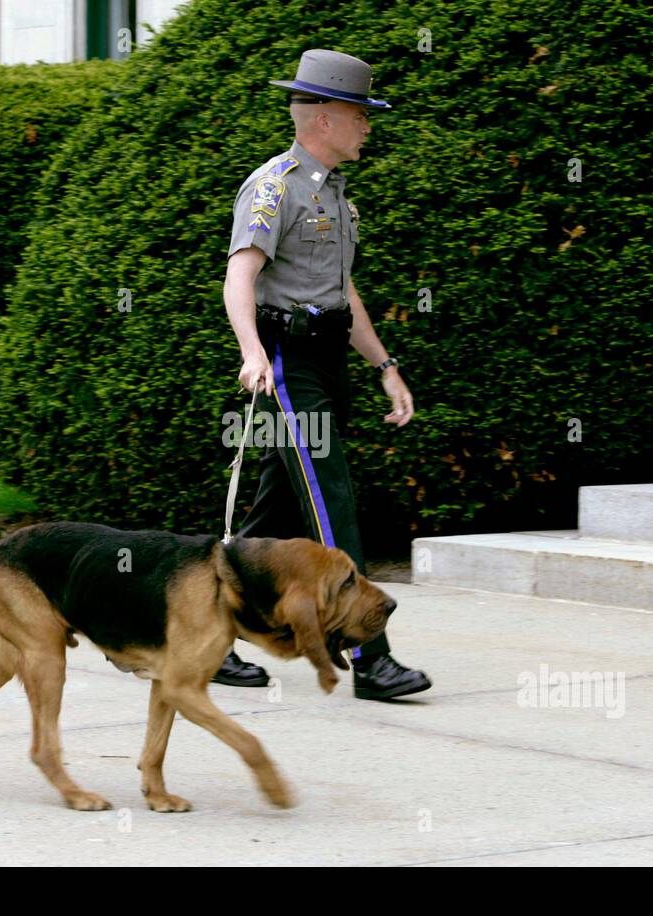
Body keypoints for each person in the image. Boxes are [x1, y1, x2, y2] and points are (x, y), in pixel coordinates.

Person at [212, 49, 431, 701]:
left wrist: (385, 366)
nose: (367, 127)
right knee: (331, 502)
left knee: (276, 510)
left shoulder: (337, 196)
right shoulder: (273, 186)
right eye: (361, 116)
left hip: (325, 357)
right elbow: (239, 276)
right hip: (286, 359)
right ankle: (371, 654)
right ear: (328, 119)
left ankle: (206, 626)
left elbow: (344, 293)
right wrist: (252, 352)